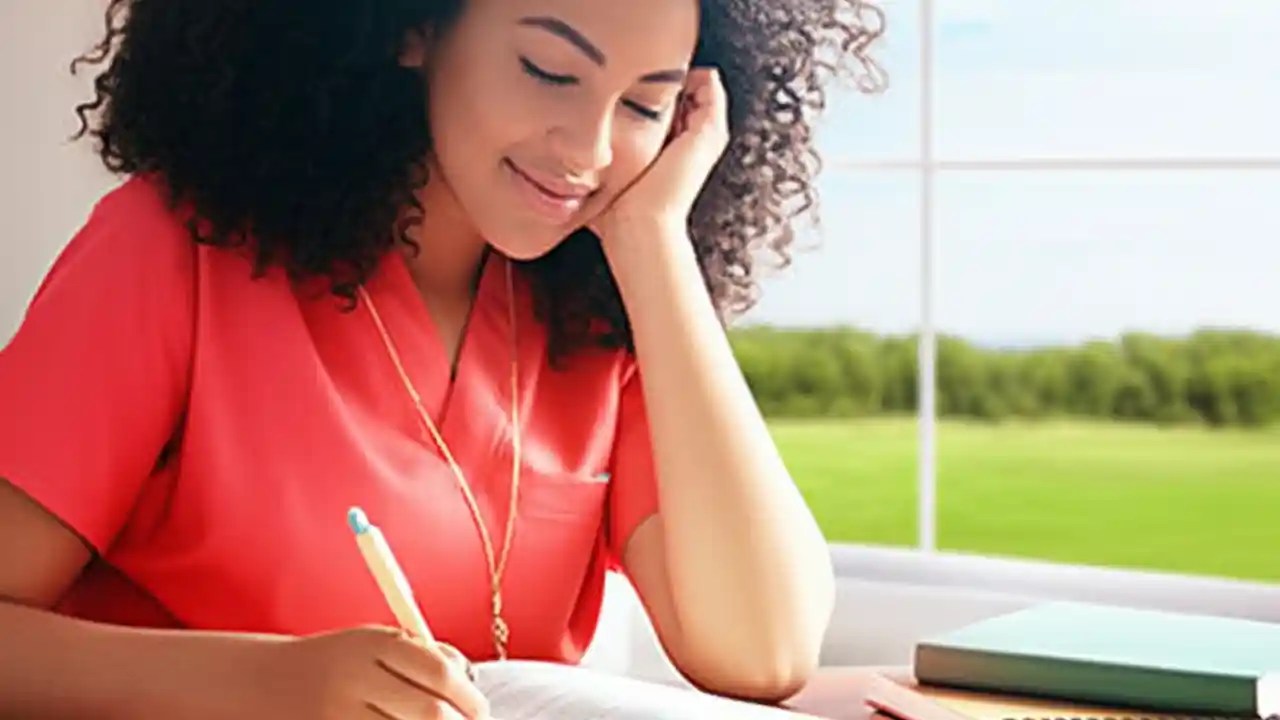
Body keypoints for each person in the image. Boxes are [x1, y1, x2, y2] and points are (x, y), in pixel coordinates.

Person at [0, 0, 884, 717]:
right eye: (548, 71)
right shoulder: (169, 250)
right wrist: (263, 686)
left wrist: (652, 240)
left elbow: (765, 650)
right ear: (415, 29)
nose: (589, 151)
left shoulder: (599, 320)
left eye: (645, 106)